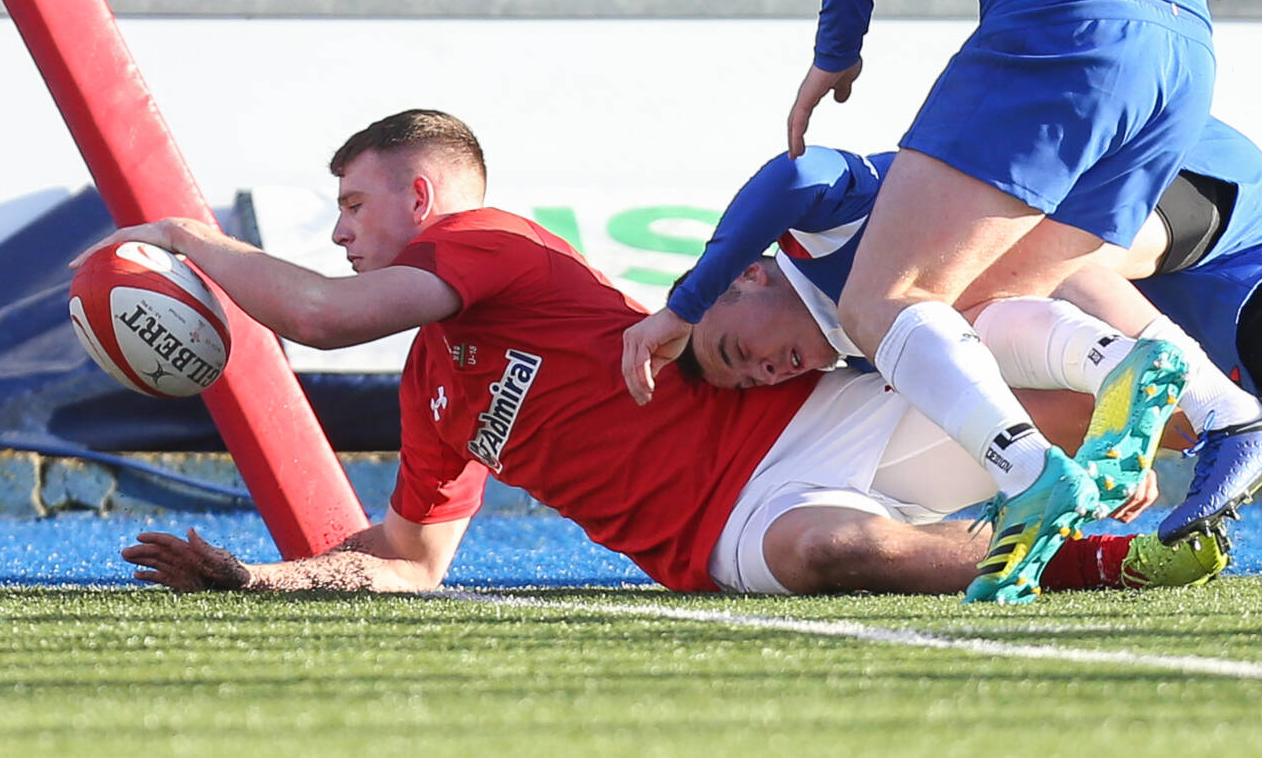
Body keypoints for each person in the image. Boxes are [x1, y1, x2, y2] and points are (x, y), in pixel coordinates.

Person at [83, 110, 1221, 599]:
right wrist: (259, 577)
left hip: (803, 421)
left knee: (1096, 398)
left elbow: (325, 315)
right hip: (717, 537)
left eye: (351, 202)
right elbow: (412, 559)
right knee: (831, 547)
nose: (337, 230)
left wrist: (187, 241)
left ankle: (1200, 419)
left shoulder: (492, 243)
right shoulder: (432, 384)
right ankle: (1110, 564)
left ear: (420, 194)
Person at [774, 0, 1216, 602]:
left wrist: (837, 45)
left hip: (1065, 16)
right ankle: (1156, 380)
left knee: (884, 305)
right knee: (981, 311)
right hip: (1184, 49)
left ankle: (1027, 477)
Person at [623, 117, 1262, 546]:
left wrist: (686, 302)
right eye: (751, 383)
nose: (766, 372)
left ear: (750, 276)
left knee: (1036, 265)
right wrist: (1114, 440)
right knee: (1039, 336)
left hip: (1171, 177)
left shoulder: (817, 235)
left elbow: (794, 172)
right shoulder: (877, 357)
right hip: (1208, 301)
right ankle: (1224, 413)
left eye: (738, 351)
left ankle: (1226, 415)